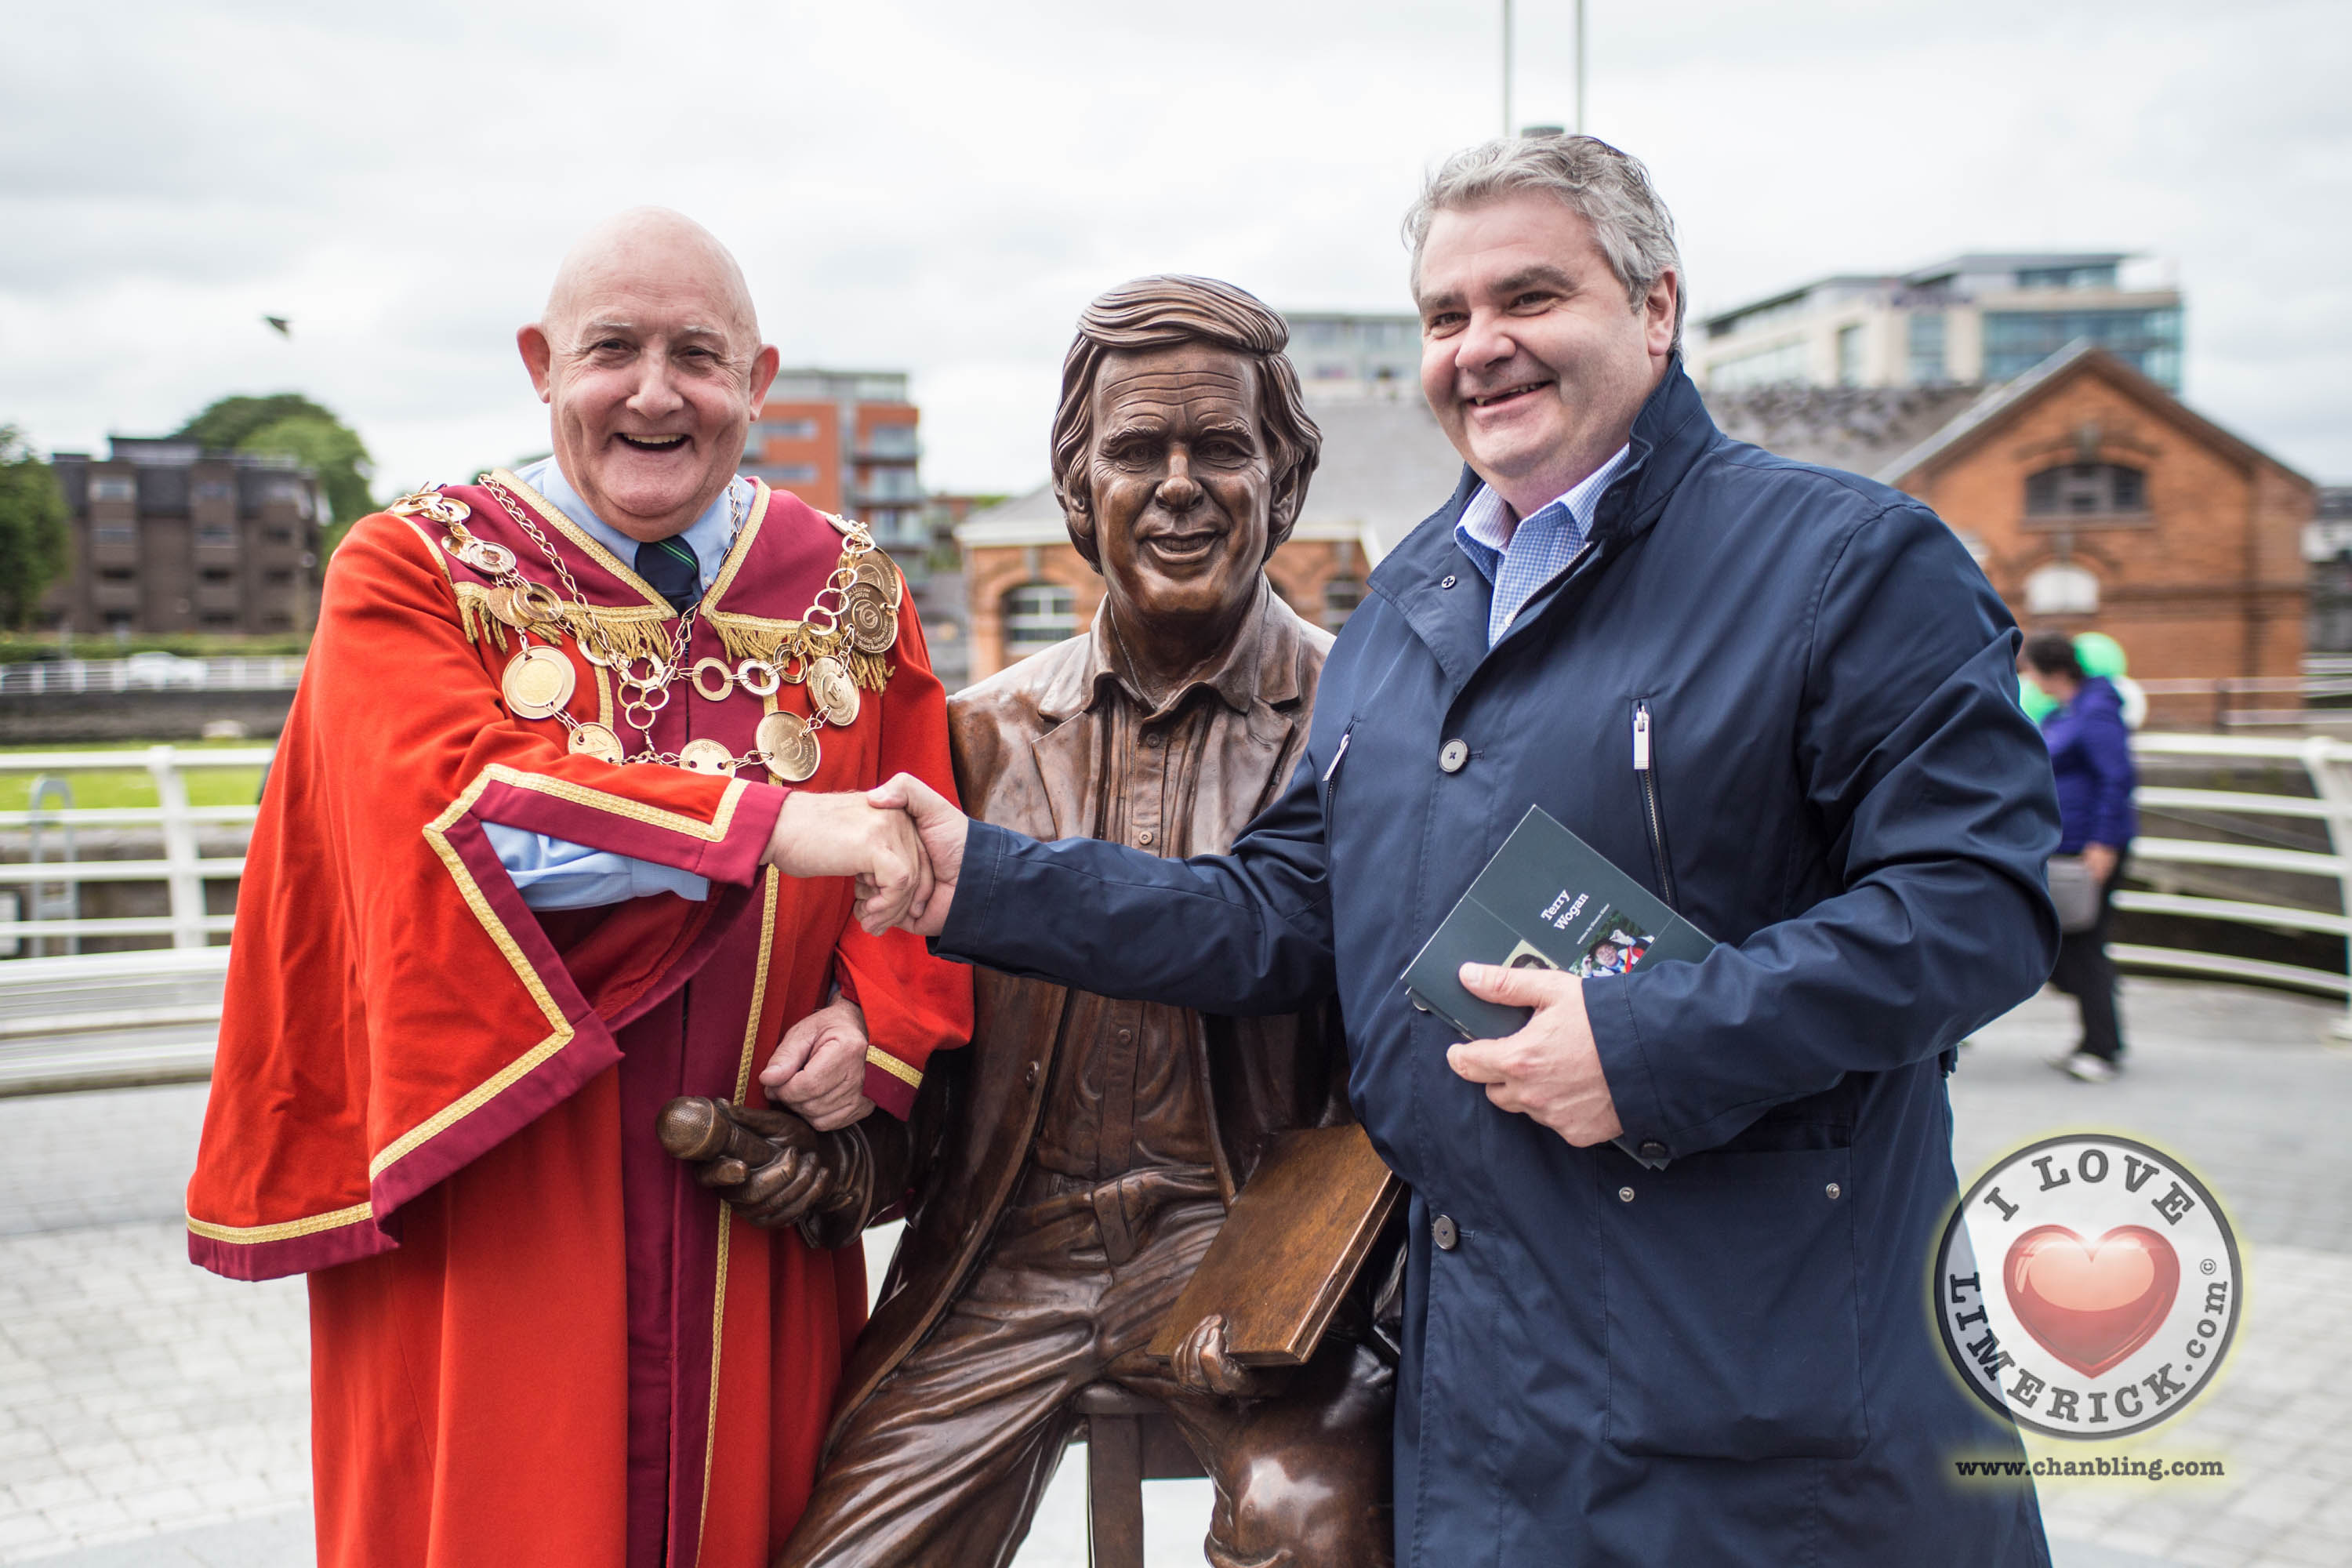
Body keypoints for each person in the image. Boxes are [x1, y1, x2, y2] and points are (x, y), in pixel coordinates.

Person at [868, 135, 2063, 1564]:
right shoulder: (1412, 609)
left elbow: (1975, 907)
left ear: (1656, 307)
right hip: (1492, 1397)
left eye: (1529, 300)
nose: (1481, 349)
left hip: (1764, 1383)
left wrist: (1650, 1039)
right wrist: (973, 875)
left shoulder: (1845, 564)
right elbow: (1278, 914)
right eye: (1447, 317)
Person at [185, 209, 972, 1568]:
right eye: (614, 350)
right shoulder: (413, 570)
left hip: (754, 1186)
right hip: (500, 1181)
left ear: (760, 381)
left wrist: (878, 1026)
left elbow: (921, 838)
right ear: (542, 365)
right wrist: (772, 824)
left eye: (699, 356)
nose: (656, 393)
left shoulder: (848, 590)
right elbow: (466, 806)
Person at [681, 274, 1396, 1567]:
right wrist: (841, 1164)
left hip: (1246, 1256)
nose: (1178, 485)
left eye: (1221, 448)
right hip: (1005, 1265)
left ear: (1281, 483)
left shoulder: (1366, 722)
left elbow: (1392, 1070)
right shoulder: (976, 735)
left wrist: (1336, 1280)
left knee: (1317, 1525)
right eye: (1135, 451)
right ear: (1079, 487)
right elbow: (931, 1057)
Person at [2023, 628, 2137, 1082]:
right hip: (2069, 848)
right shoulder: (2070, 710)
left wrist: (2104, 844)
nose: (2026, 678)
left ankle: (2102, 1047)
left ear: (2053, 671)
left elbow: (2117, 779)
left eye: (2031, 669)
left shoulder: (2096, 711)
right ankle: (2097, 1038)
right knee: (2073, 945)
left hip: (2091, 851)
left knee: (2083, 946)